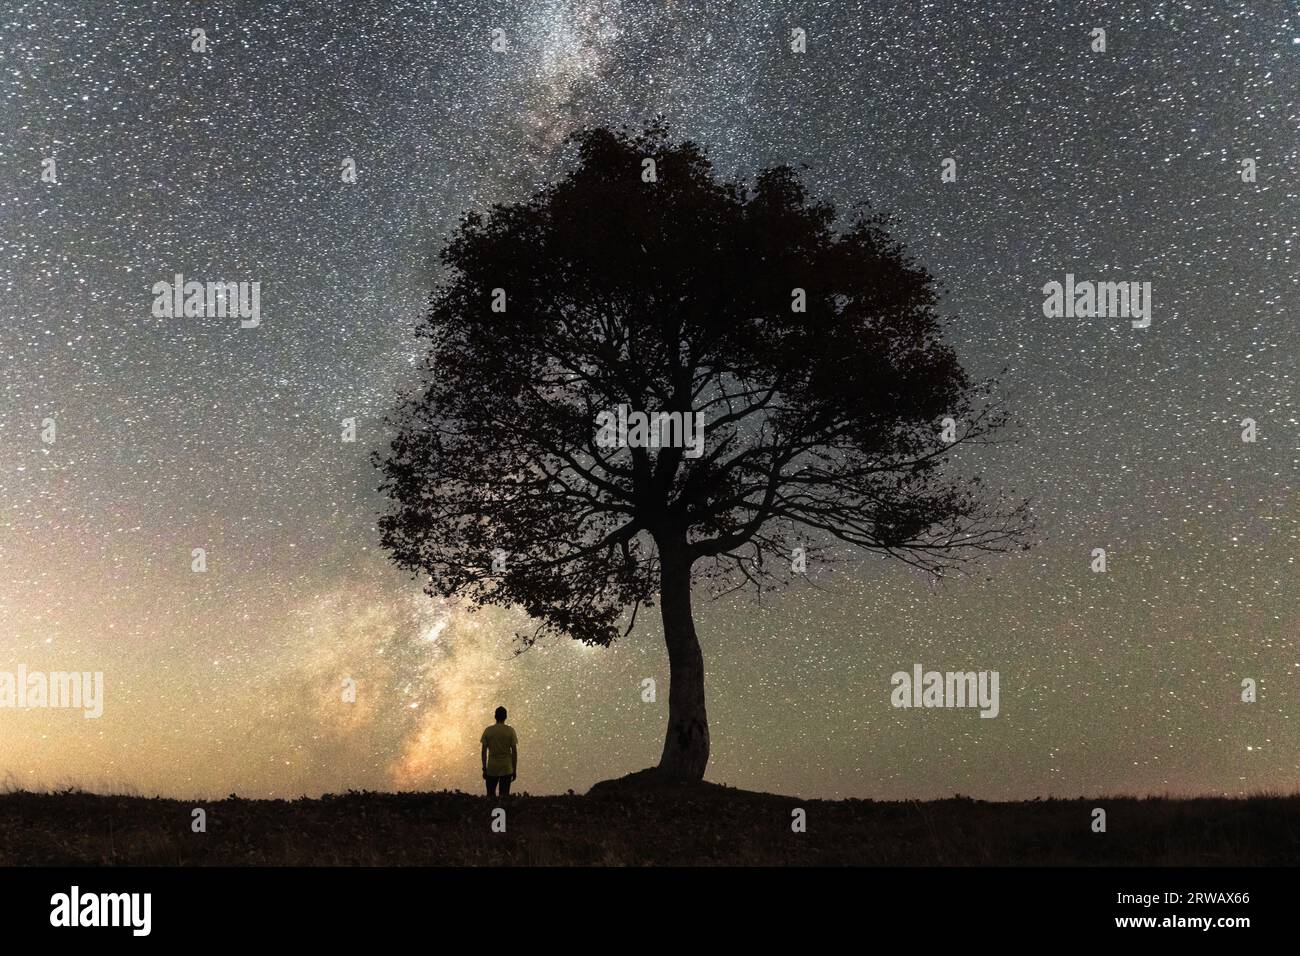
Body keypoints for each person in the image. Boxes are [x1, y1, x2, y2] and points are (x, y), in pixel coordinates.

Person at [480, 706, 517, 798]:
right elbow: (514, 752)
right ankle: (502, 812)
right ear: (506, 717)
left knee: (490, 796)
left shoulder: (488, 731)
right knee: (504, 797)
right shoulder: (510, 731)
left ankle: (491, 811)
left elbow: (483, 752)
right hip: (506, 767)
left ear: (495, 716)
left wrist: (484, 768)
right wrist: (514, 769)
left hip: (492, 768)